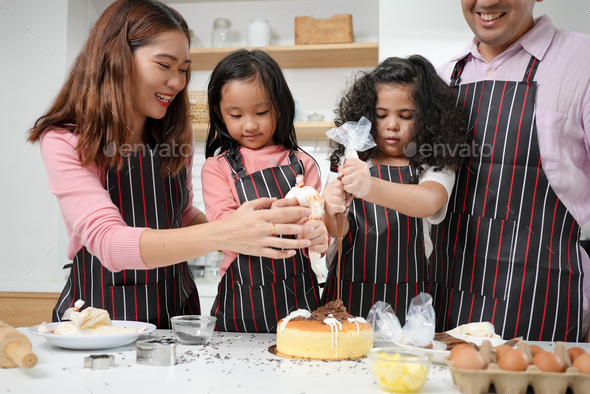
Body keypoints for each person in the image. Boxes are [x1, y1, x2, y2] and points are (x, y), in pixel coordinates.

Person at [27, 0, 315, 329]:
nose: (178, 82)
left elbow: (180, 213)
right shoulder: (66, 139)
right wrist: (231, 232)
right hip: (99, 324)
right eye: (165, 65)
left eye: (183, 69)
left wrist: (251, 234)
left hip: (177, 316)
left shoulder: (174, 133)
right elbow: (109, 242)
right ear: (117, 59)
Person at [431, 0, 590, 341]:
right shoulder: (441, 79)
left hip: (542, 297)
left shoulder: (582, 61)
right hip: (448, 296)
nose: (486, 2)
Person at [321, 56, 467, 323]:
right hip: (348, 292)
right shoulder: (352, 161)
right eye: (381, 115)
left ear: (428, 119)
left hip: (409, 297)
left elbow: (428, 201)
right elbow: (338, 231)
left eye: (406, 116)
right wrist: (331, 208)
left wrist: (369, 186)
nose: (392, 125)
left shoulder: (432, 165)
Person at [201, 49, 329, 333]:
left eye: (261, 112)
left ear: (281, 108)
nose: (249, 124)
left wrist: (321, 237)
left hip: (299, 302)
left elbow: (318, 229)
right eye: (235, 114)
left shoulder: (303, 164)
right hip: (241, 305)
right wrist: (277, 219)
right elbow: (224, 232)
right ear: (219, 114)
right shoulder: (217, 168)